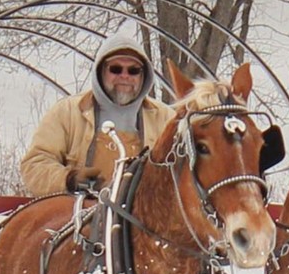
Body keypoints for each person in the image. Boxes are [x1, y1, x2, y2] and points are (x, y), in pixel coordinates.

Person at [19, 25, 176, 196]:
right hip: (77, 215)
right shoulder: (68, 112)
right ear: (100, 71)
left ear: (143, 76)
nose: (125, 76)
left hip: (142, 219)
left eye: (133, 70)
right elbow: (34, 165)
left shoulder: (167, 119)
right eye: (116, 69)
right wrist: (69, 179)